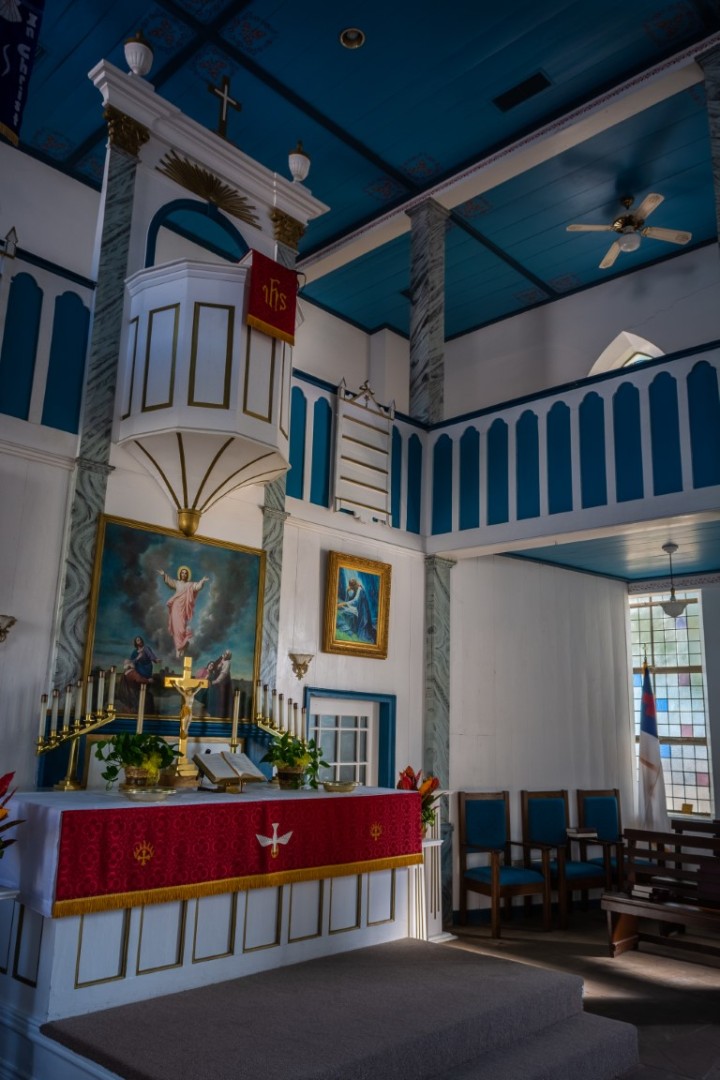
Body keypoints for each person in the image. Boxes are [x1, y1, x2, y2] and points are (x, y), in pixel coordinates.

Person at [157, 565, 209, 658]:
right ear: (180, 574)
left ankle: (182, 646)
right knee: (176, 629)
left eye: (185, 573)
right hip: (176, 606)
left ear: (187, 575)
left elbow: (197, 587)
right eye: (182, 573)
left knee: (181, 628)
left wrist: (202, 581)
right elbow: (170, 582)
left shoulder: (190, 585)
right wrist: (164, 574)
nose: (184, 574)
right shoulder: (177, 583)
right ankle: (178, 648)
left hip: (184, 608)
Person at [336, 576, 375, 643]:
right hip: (359, 609)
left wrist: (344, 603)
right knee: (346, 611)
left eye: (351, 587)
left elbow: (355, 601)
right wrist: (347, 592)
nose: (351, 588)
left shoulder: (360, 590)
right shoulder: (357, 588)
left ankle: (355, 632)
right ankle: (352, 628)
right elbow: (350, 598)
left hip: (362, 611)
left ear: (353, 586)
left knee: (362, 630)